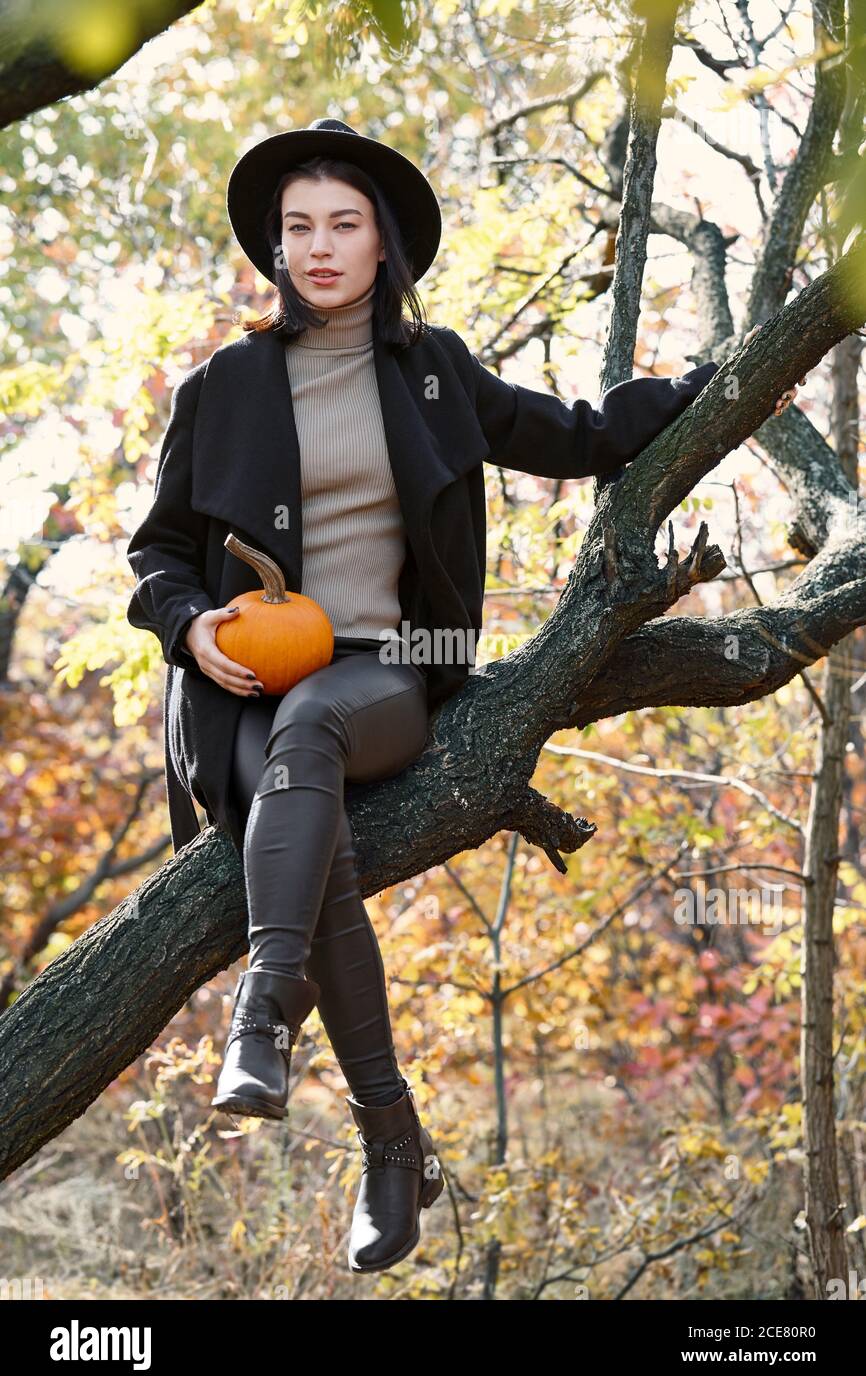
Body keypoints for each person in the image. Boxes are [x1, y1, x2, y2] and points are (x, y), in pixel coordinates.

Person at [126, 117, 803, 1275]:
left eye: (344, 225)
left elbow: (580, 437)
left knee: (317, 724)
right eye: (299, 228)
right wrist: (190, 627)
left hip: (393, 665)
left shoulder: (431, 369)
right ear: (275, 247)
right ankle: (393, 1140)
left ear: (383, 245)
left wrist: (728, 384)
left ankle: (265, 1009)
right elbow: (155, 560)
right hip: (241, 690)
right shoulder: (221, 386)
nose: (319, 248)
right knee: (311, 826)